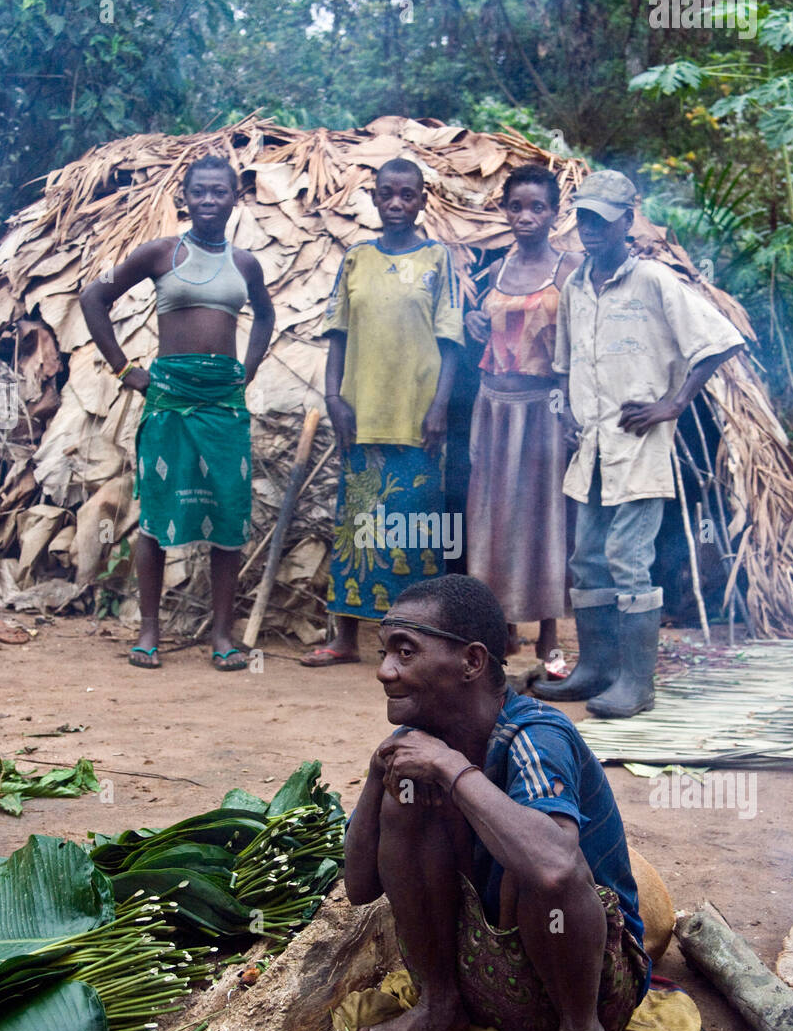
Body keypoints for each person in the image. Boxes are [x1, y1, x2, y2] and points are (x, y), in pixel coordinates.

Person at [344, 573, 651, 1031]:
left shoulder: (535, 734)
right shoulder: (418, 742)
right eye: (384, 651)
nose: (384, 670)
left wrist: (455, 771)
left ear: (472, 661)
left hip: (590, 988)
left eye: (405, 651)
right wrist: (378, 776)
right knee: (406, 794)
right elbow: (360, 888)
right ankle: (439, 1004)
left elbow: (556, 867)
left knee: (536, 850)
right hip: (479, 976)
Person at [531, 170, 745, 717]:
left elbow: (719, 342)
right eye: (584, 218)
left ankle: (636, 683)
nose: (591, 229)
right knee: (587, 561)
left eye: (603, 219)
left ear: (628, 221)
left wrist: (674, 404)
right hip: (594, 448)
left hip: (640, 445)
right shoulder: (576, 286)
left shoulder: (651, 280)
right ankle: (595, 669)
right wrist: (569, 412)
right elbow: (563, 365)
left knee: (629, 559)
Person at [80, 154, 275, 670]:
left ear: (236, 198)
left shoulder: (246, 263)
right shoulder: (161, 253)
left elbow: (265, 316)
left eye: (220, 192)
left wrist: (248, 368)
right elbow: (93, 297)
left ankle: (221, 635)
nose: (209, 201)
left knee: (229, 514)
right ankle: (149, 631)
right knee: (158, 513)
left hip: (223, 402)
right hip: (170, 397)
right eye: (200, 192)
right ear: (183, 197)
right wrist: (126, 371)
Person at [301, 158, 463, 666]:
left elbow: (451, 342)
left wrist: (440, 406)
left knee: (416, 531)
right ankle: (344, 638)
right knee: (357, 526)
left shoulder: (439, 259)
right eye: (387, 193)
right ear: (373, 197)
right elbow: (337, 335)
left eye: (407, 194)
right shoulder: (356, 259)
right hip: (361, 416)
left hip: (417, 420)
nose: (396, 203)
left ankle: (416, 641)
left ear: (421, 200)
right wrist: (333, 399)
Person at [464, 165, 581, 660]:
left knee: (544, 516)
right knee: (492, 515)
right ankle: (501, 628)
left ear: (555, 213)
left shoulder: (569, 269)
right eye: (516, 206)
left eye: (538, 207)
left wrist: (573, 409)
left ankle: (550, 634)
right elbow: (485, 332)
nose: (526, 216)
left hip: (543, 408)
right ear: (504, 210)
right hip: (494, 406)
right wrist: (475, 323)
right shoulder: (494, 272)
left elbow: (580, 343)